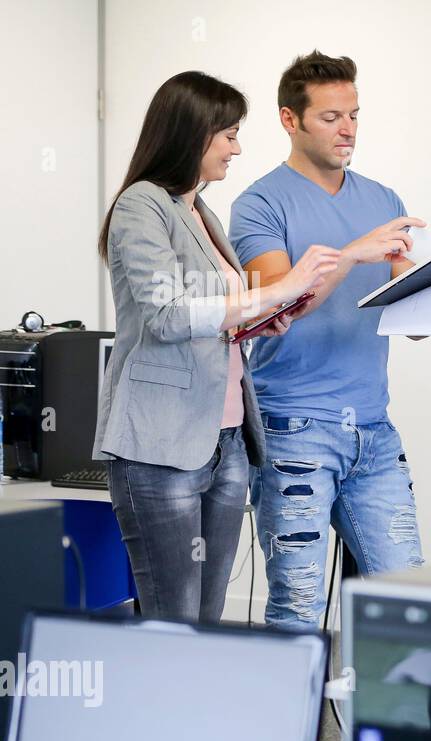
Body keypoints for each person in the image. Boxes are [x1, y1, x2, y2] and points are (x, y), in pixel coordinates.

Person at [230, 51, 426, 741]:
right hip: (295, 428)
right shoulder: (259, 205)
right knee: (298, 607)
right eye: (330, 117)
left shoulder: (381, 197)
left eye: (354, 114)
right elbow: (283, 301)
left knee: (407, 601)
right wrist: (355, 253)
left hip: (372, 430)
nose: (347, 129)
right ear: (291, 120)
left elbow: (399, 319)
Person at [94, 70, 338, 624]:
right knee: (174, 619)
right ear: (191, 133)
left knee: (206, 618)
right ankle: (158, 713)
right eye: (227, 133)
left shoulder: (198, 210)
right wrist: (278, 288)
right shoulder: (143, 205)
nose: (236, 146)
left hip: (223, 439)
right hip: (161, 445)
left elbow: (213, 314)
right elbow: (169, 314)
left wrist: (260, 316)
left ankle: (196, 711)